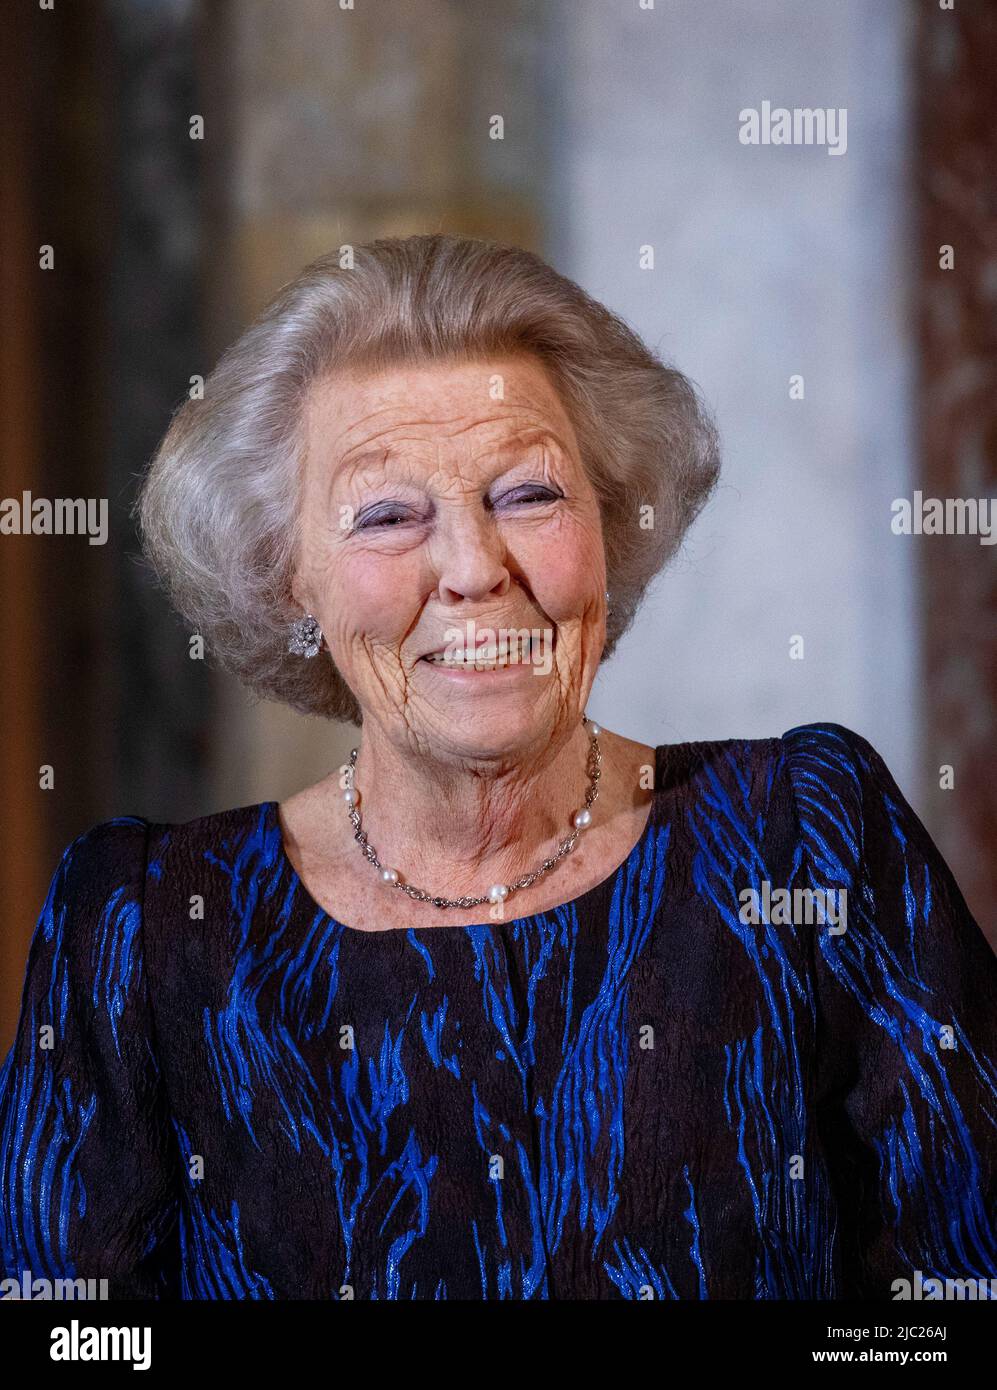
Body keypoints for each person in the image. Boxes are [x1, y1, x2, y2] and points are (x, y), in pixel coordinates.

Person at [1, 234, 994, 1300]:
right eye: (388, 516)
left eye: (528, 495)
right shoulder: (145, 930)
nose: (475, 568)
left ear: (609, 523)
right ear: (288, 581)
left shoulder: (809, 837)